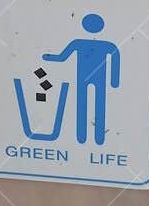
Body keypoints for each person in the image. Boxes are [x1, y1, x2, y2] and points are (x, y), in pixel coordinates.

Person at [42, 14, 120, 146]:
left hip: (90, 78)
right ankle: (88, 138)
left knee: (91, 104)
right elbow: (62, 57)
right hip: (87, 78)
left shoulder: (83, 43)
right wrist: (114, 81)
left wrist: (114, 81)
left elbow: (62, 57)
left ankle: (91, 137)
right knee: (86, 104)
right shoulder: (104, 45)